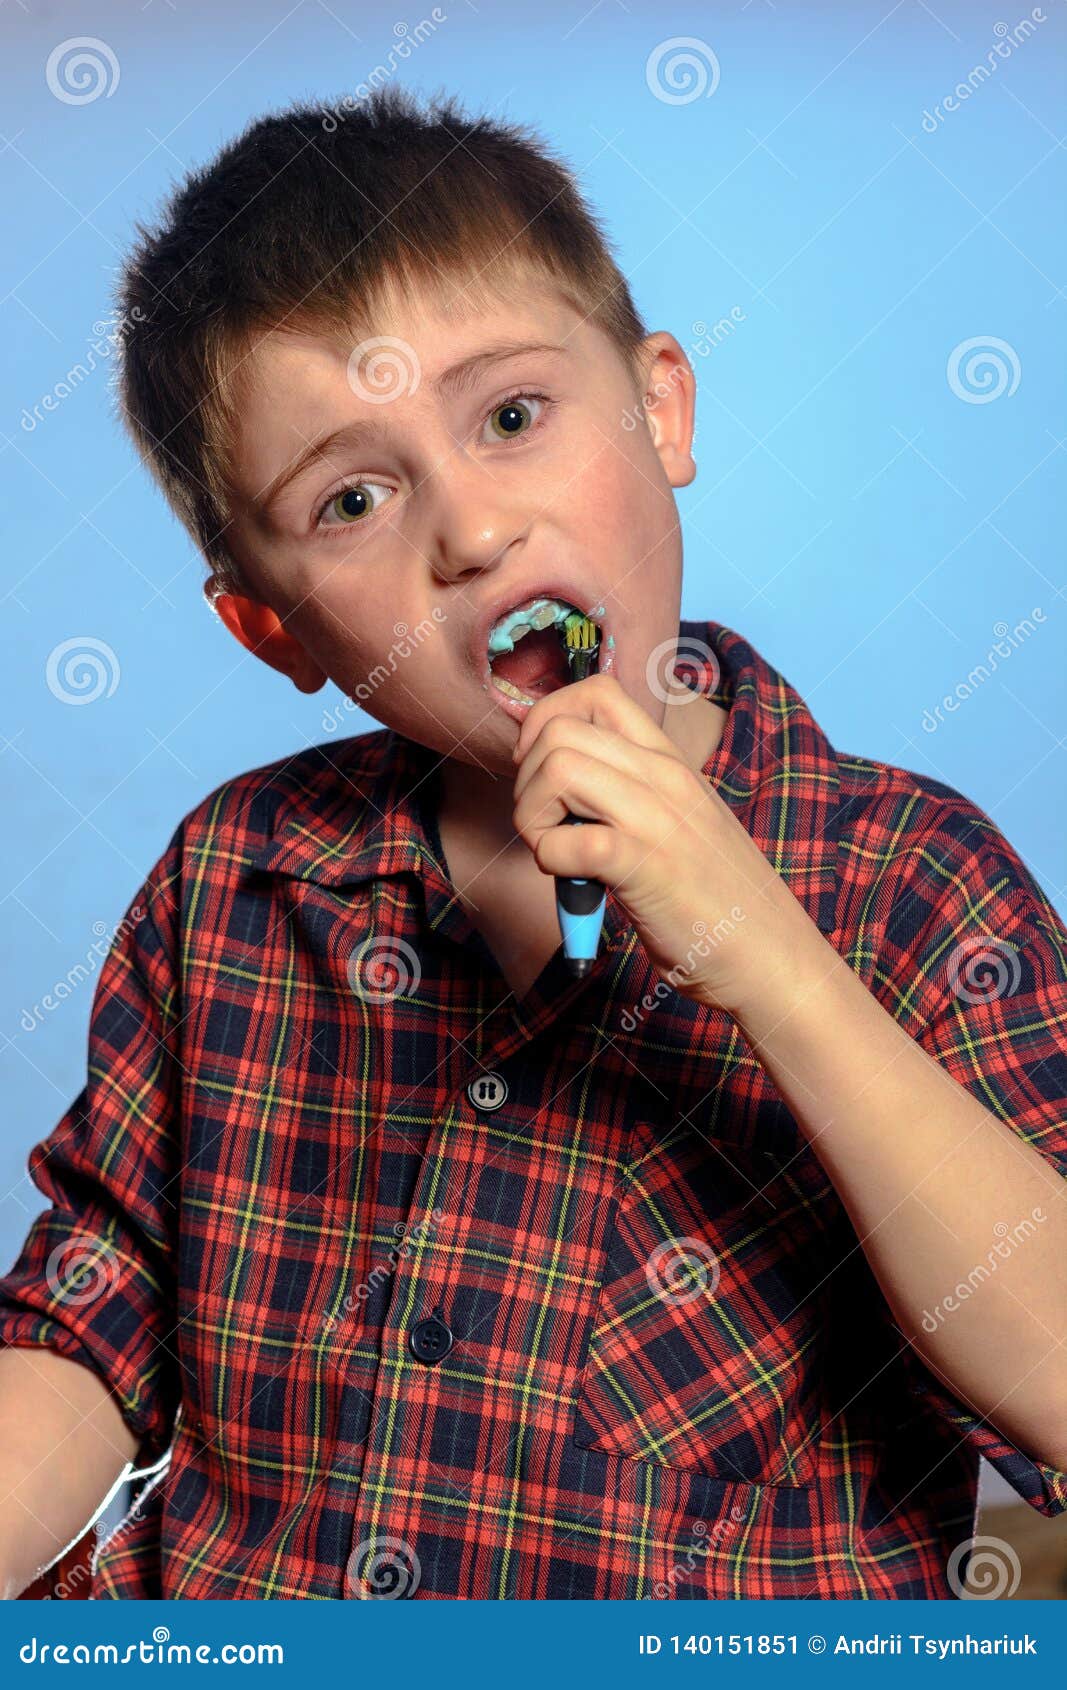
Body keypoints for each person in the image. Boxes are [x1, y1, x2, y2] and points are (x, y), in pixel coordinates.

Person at [1, 86, 1064, 1602]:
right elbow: (87, 1336)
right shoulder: (233, 882)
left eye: (511, 416)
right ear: (270, 627)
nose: (473, 532)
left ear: (663, 409)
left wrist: (766, 953)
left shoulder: (910, 878)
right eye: (354, 497)